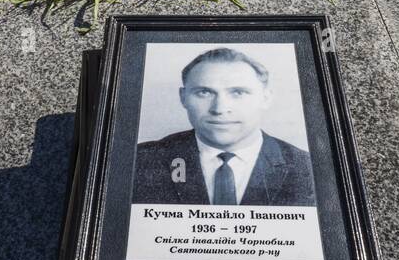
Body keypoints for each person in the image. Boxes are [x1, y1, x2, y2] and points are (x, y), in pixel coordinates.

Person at [132, 47, 316, 206]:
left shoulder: (307, 168)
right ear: (183, 97)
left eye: (238, 92)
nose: (220, 109)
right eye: (204, 92)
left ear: (265, 98)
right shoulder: (139, 161)